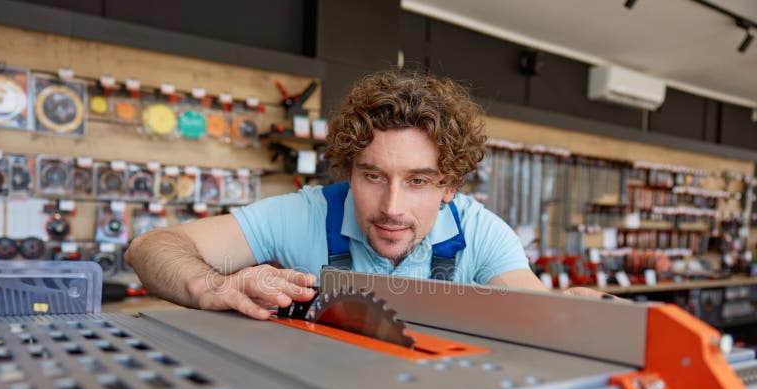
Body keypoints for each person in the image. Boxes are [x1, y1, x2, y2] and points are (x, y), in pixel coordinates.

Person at [126, 69, 599, 319]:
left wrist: (574, 316)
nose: (392, 207)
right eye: (373, 176)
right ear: (349, 170)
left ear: (449, 186)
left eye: (417, 181)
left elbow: (538, 311)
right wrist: (214, 287)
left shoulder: (480, 233)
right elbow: (151, 246)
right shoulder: (304, 214)